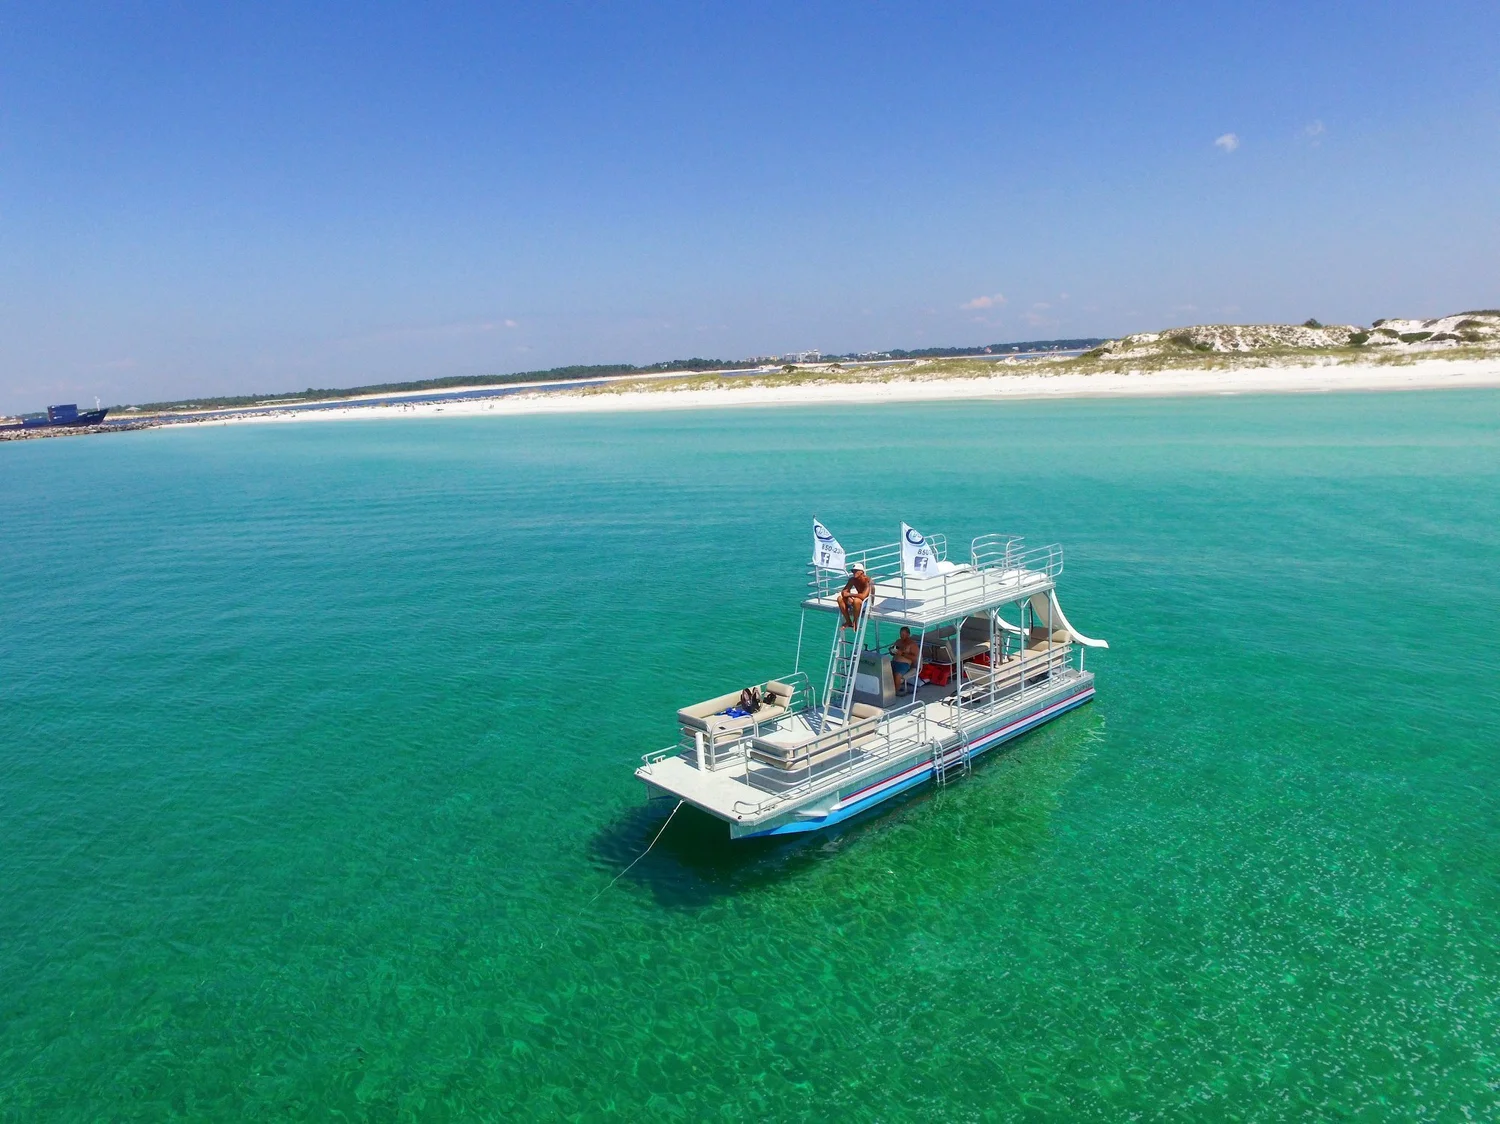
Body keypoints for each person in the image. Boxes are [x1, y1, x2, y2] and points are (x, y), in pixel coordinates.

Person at [836, 561, 872, 628]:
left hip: (866, 602)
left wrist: (849, 594)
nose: (854, 573)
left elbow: (864, 596)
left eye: (856, 571)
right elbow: (844, 592)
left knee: (856, 600)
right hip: (858, 600)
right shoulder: (852, 580)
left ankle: (855, 621)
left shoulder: (867, 580)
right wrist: (847, 595)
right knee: (839, 599)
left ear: (861, 572)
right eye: (853, 571)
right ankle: (848, 621)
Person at [889, 626, 919, 693]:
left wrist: (902, 654)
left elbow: (914, 658)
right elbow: (893, 652)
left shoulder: (912, 644)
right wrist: (891, 651)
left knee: (897, 675)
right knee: (884, 672)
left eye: (903, 634)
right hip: (894, 662)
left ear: (908, 634)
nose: (901, 636)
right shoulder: (898, 641)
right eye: (901, 634)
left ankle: (895, 692)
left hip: (903, 664)